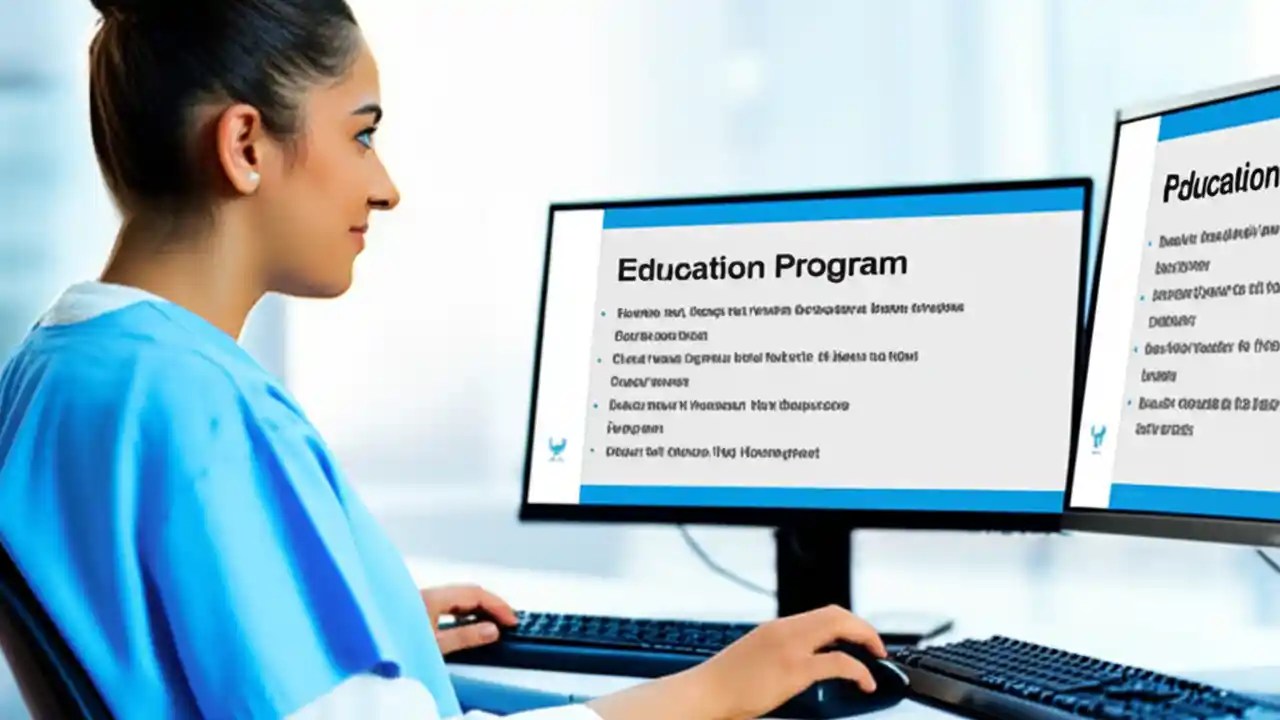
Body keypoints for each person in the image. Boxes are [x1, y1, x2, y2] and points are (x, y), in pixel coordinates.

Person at [0, 0, 887, 718]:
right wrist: (712, 692)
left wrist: (364, 628)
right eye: (361, 134)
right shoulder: (207, 407)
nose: (385, 186)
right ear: (244, 147)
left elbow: (142, 625)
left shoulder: (56, 369)